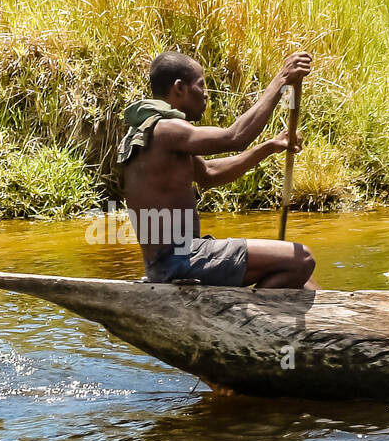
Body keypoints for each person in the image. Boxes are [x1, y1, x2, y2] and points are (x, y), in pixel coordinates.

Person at [117, 50, 319, 289]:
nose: (206, 95)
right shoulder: (168, 130)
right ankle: (251, 323)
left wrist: (268, 147)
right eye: (202, 85)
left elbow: (209, 174)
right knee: (301, 259)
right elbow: (234, 137)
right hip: (180, 260)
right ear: (179, 88)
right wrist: (282, 79)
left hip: (173, 261)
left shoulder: (148, 133)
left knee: (304, 279)